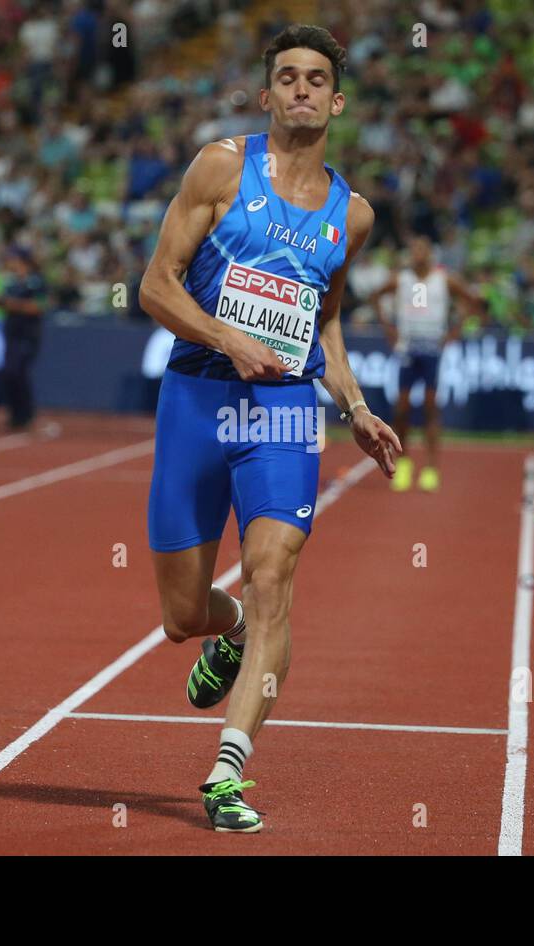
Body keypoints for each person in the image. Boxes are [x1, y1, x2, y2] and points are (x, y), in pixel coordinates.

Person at [138, 24, 401, 833]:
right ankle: (227, 633)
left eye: (316, 79)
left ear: (337, 101)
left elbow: (326, 321)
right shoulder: (221, 167)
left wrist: (355, 406)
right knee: (183, 615)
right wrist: (228, 339)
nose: (301, 89)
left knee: (271, 573)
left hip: (284, 410)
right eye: (287, 77)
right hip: (197, 398)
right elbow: (156, 286)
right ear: (266, 94)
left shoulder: (353, 215)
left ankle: (227, 770)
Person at [370, 235, 481, 491]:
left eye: (421, 249)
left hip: (432, 348)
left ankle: (431, 467)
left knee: (431, 408)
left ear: (430, 253)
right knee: (402, 408)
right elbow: (375, 296)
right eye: (413, 249)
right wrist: (388, 328)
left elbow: (472, 299)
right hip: (407, 348)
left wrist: (455, 331)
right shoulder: (402, 278)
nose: (417, 253)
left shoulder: (444, 278)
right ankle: (404, 462)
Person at [0, 246, 48, 430]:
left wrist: (14, 305)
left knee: (18, 372)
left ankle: (26, 414)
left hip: (28, 333)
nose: (11, 263)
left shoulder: (36, 282)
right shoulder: (11, 282)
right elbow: (4, 303)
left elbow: (39, 307)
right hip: (11, 332)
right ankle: (15, 414)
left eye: (14, 259)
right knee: (8, 373)